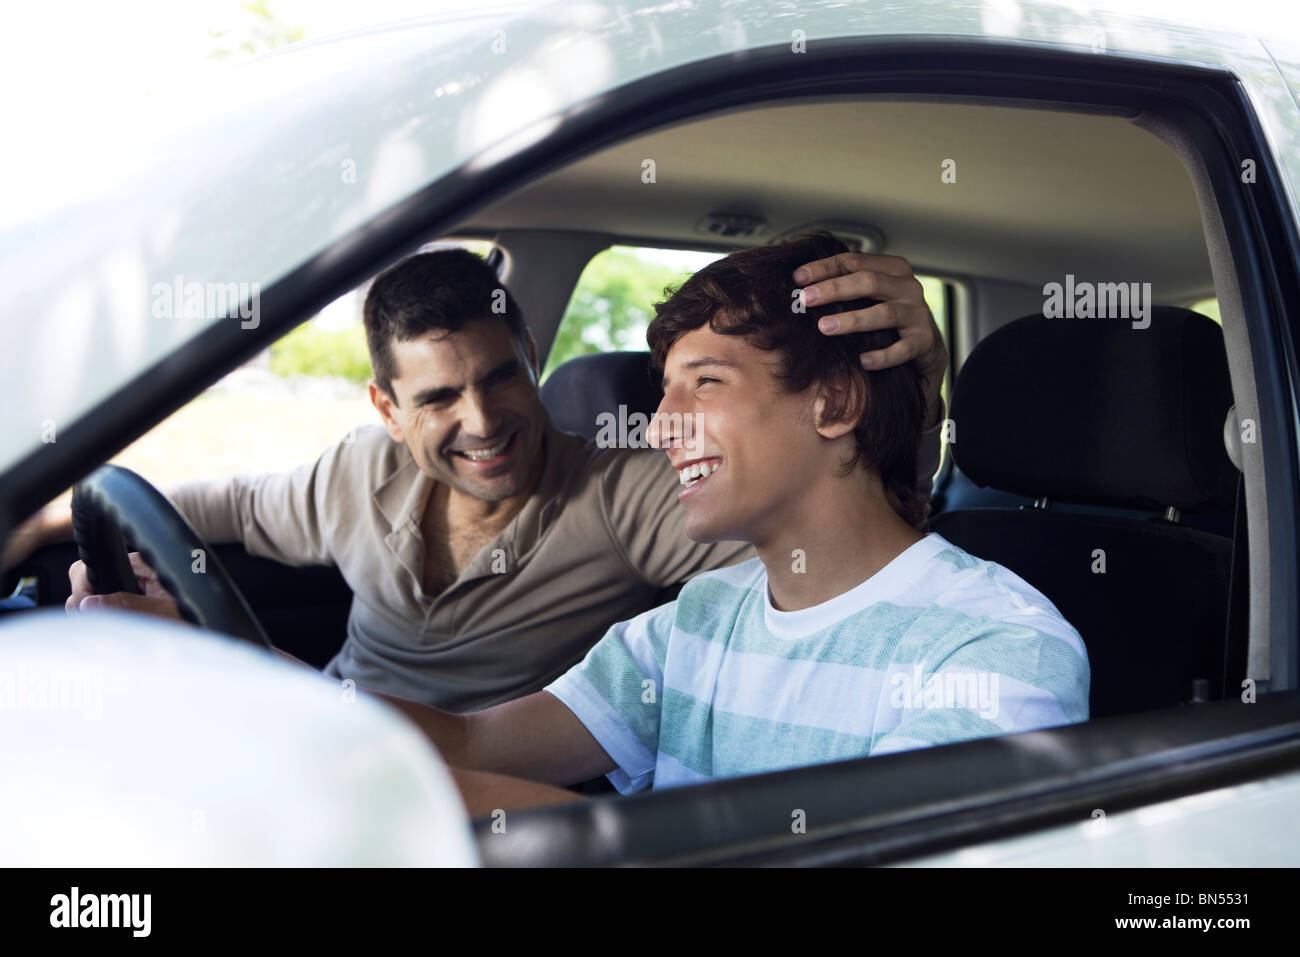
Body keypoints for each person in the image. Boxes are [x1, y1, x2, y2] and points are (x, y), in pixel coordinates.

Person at [5, 243, 951, 712]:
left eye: (503, 376)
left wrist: (910, 385)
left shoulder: (627, 496)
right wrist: (40, 522)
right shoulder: (350, 474)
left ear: (534, 359)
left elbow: (835, 528)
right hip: (329, 733)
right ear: (387, 408)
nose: (484, 419)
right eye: (440, 397)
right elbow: (224, 506)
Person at [378, 233, 1090, 816]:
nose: (658, 427)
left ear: (835, 402)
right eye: (664, 393)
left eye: (705, 382)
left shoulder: (1000, 650)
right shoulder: (693, 621)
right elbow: (470, 746)